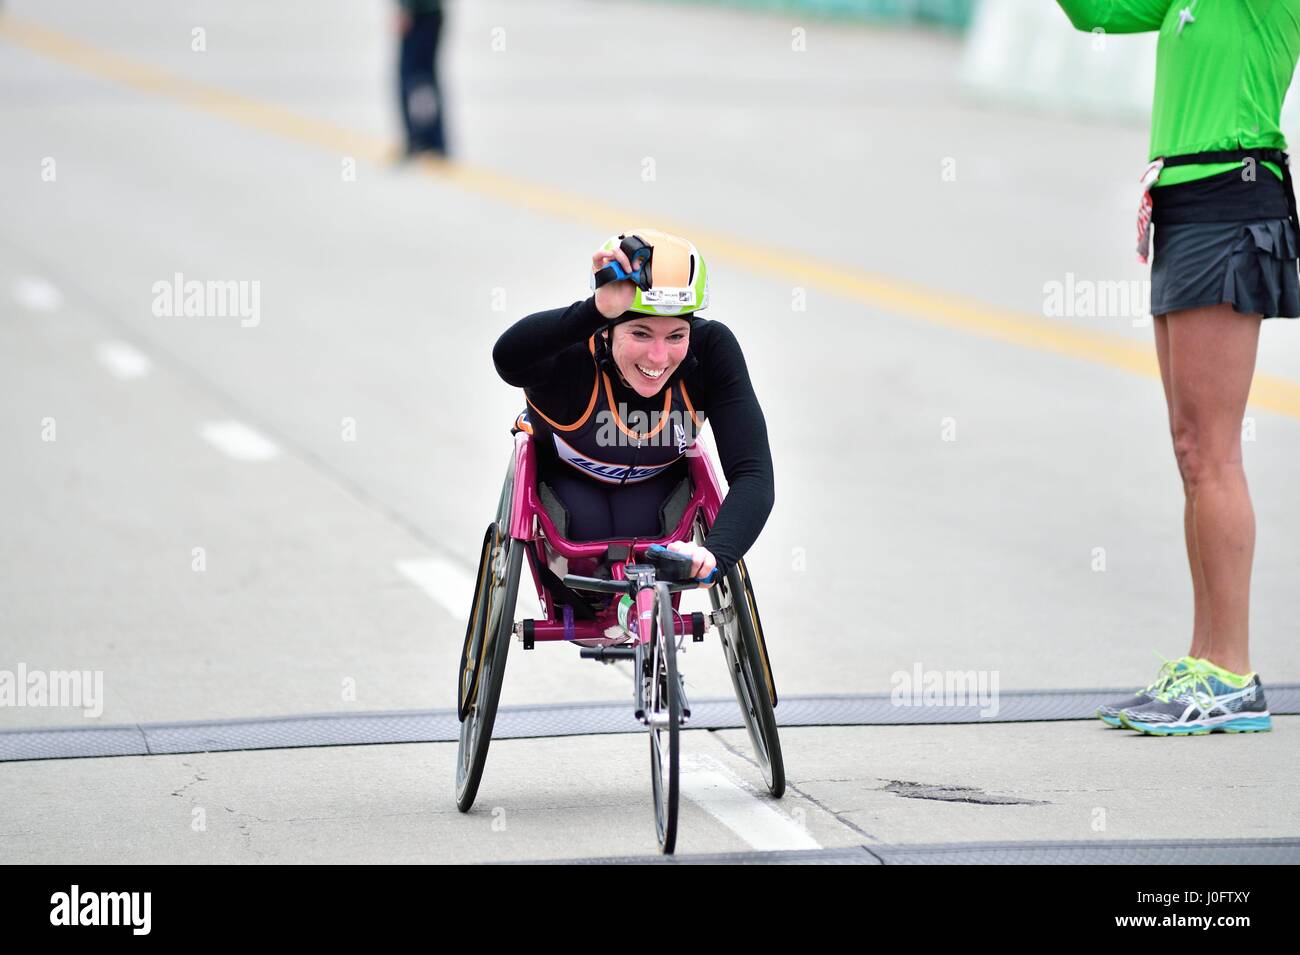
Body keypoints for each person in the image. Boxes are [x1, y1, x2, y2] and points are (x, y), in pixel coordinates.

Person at [1057, 0, 1299, 734]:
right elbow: (1091, 12)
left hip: (1233, 197)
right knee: (1192, 450)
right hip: (1183, 204)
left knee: (1215, 453)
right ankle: (1205, 660)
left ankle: (1232, 670)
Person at [492, 230, 775, 588]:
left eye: (675, 336)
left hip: (658, 501)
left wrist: (715, 553)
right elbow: (508, 359)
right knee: (588, 530)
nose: (658, 357)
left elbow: (754, 473)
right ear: (607, 330)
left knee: (650, 537)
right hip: (567, 492)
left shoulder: (712, 349)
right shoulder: (574, 354)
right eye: (640, 333)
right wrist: (594, 310)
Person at [396, 0, 447, 158]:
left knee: (417, 79)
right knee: (421, 78)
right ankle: (429, 140)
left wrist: (407, 8)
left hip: (421, 14)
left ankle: (425, 139)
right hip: (425, 12)